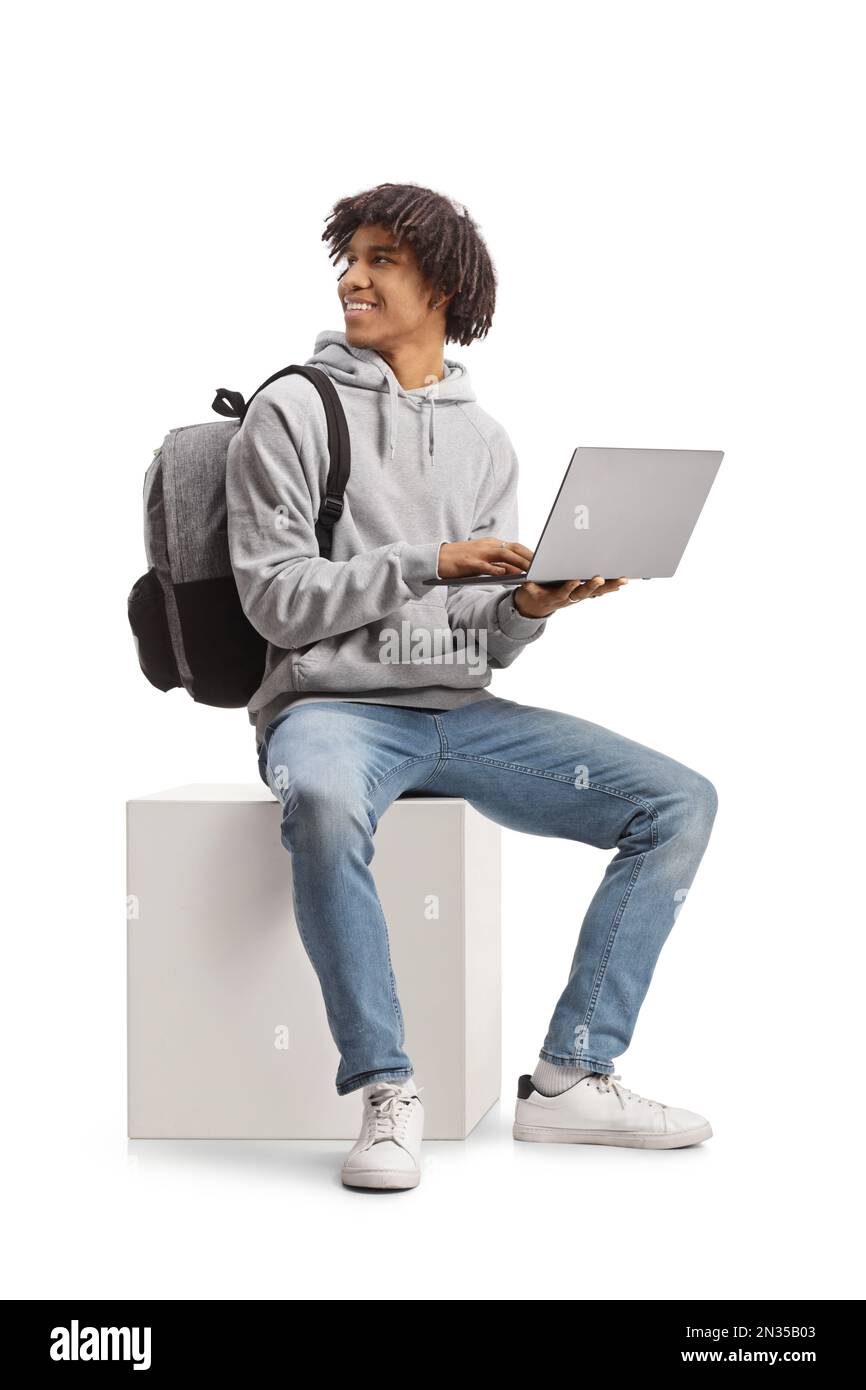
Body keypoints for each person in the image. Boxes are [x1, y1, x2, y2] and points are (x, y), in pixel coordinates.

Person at [225, 182, 718, 1191]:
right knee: (322, 800)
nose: (352, 278)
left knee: (677, 803)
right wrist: (429, 560)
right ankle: (384, 1088)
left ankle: (572, 1073)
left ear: (442, 286)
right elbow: (276, 602)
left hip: (459, 710)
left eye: (381, 260)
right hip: (329, 707)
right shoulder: (293, 409)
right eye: (349, 259)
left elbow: (480, 642)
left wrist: (531, 604)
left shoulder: (484, 439)